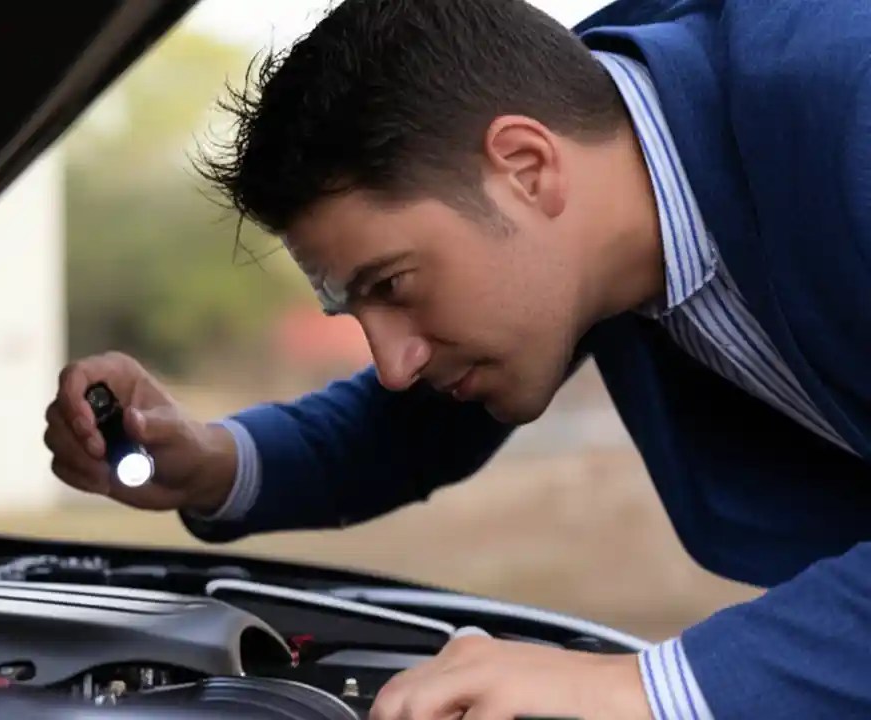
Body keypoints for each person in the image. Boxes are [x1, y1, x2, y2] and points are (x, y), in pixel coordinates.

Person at [43, 0, 871, 716]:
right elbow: (404, 423)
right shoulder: (595, 170)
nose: (395, 362)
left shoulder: (848, 92)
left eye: (395, 283)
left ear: (525, 165)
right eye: (353, 308)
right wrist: (213, 460)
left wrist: (638, 691)